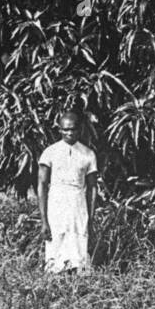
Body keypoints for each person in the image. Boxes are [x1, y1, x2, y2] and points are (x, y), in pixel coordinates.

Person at [38, 111, 98, 273]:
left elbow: (92, 187)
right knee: (55, 244)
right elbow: (42, 185)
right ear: (60, 130)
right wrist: (44, 220)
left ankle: (79, 286)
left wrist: (91, 219)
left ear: (80, 130)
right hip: (56, 203)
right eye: (65, 130)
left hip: (78, 204)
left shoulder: (88, 154)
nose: (69, 133)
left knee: (78, 244)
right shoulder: (50, 152)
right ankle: (55, 285)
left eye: (73, 129)